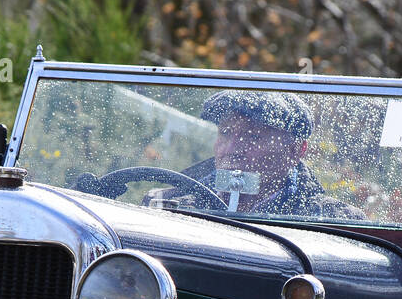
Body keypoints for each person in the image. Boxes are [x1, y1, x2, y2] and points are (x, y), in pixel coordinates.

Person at [148, 90, 363, 220]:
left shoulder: (331, 218)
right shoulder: (166, 204)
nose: (232, 149)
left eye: (252, 137)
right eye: (225, 133)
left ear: (296, 151)